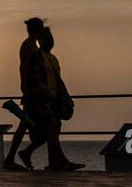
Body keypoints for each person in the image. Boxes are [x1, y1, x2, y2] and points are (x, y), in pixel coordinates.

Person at [18, 27, 83, 171]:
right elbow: (34, 77)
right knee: (50, 130)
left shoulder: (53, 58)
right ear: (40, 40)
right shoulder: (38, 56)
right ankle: (60, 162)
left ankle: (33, 154)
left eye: (51, 37)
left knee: (51, 131)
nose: (50, 40)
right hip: (42, 100)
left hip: (53, 99)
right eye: (46, 37)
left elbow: (57, 80)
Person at [3, 17, 45, 170]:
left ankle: (13, 157)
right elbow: (24, 68)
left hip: (35, 91)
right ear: (38, 29)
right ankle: (17, 156)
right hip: (32, 92)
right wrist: (26, 90)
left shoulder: (32, 45)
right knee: (39, 125)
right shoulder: (28, 45)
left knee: (24, 124)